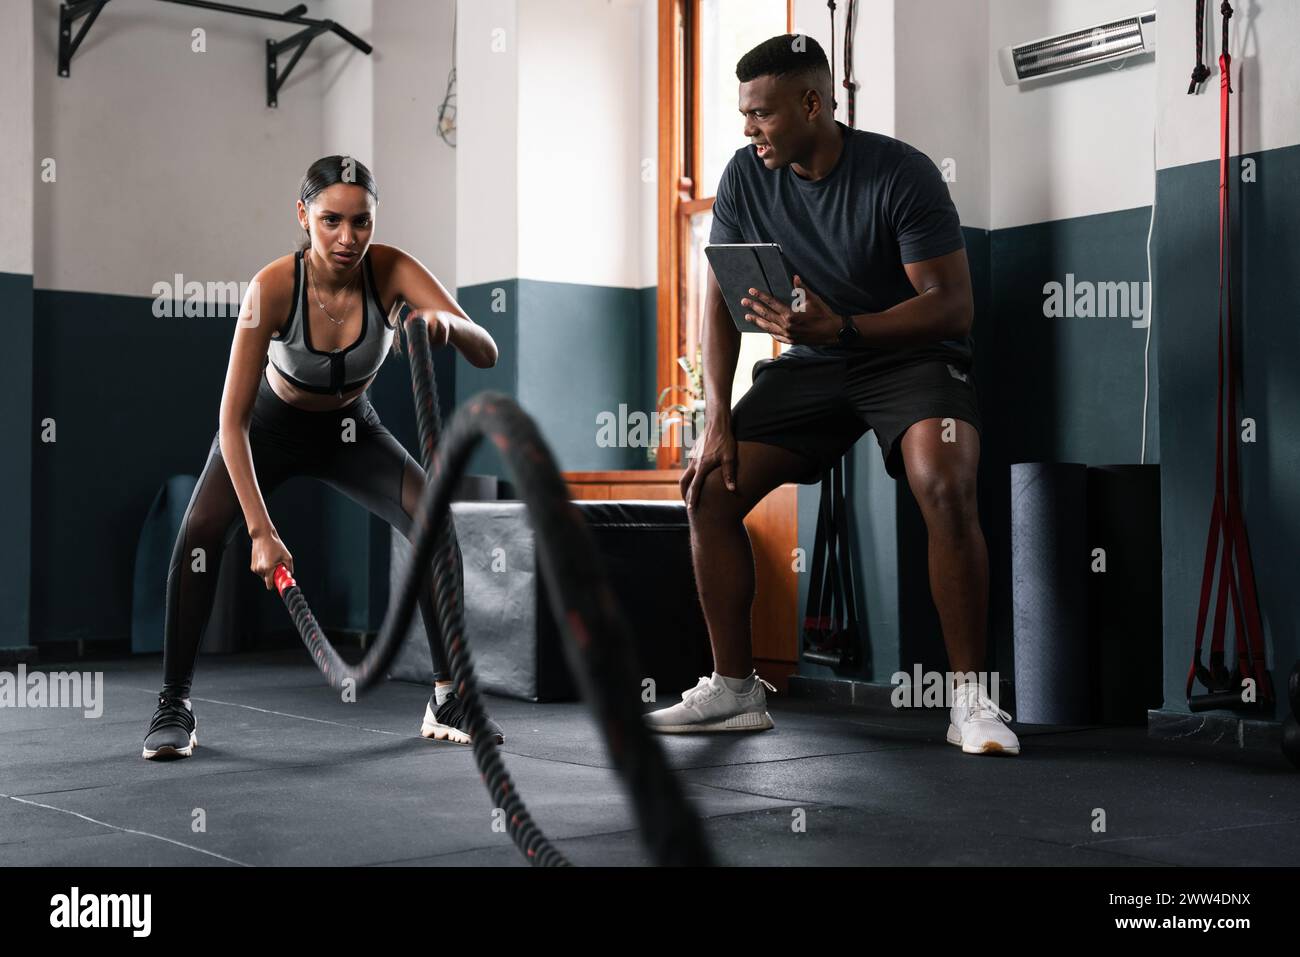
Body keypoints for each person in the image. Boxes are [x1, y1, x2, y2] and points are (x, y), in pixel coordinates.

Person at [643, 36, 1018, 755]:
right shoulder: (749, 177)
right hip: (817, 360)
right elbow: (720, 295)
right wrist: (715, 415)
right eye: (744, 114)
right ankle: (734, 689)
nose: (748, 129)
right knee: (709, 489)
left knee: (943, 482)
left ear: (812, 103)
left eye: (762, 113)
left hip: (909, 355)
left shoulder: (900, 173)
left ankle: (973, 701)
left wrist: (846, 325)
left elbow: (952, 305)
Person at [143, 155, 503, 759]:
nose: (347, 237)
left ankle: (447, 696)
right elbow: (230, 423)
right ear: (303, 214)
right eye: (331, 220)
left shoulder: (391, 270)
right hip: (268, 427)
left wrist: (445, 324)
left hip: (350, 430)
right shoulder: (274, 286)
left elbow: (486, 349)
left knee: (434, 523)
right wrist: (261, 532)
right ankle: (173, 703)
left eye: (360, 222)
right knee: (201, 534)